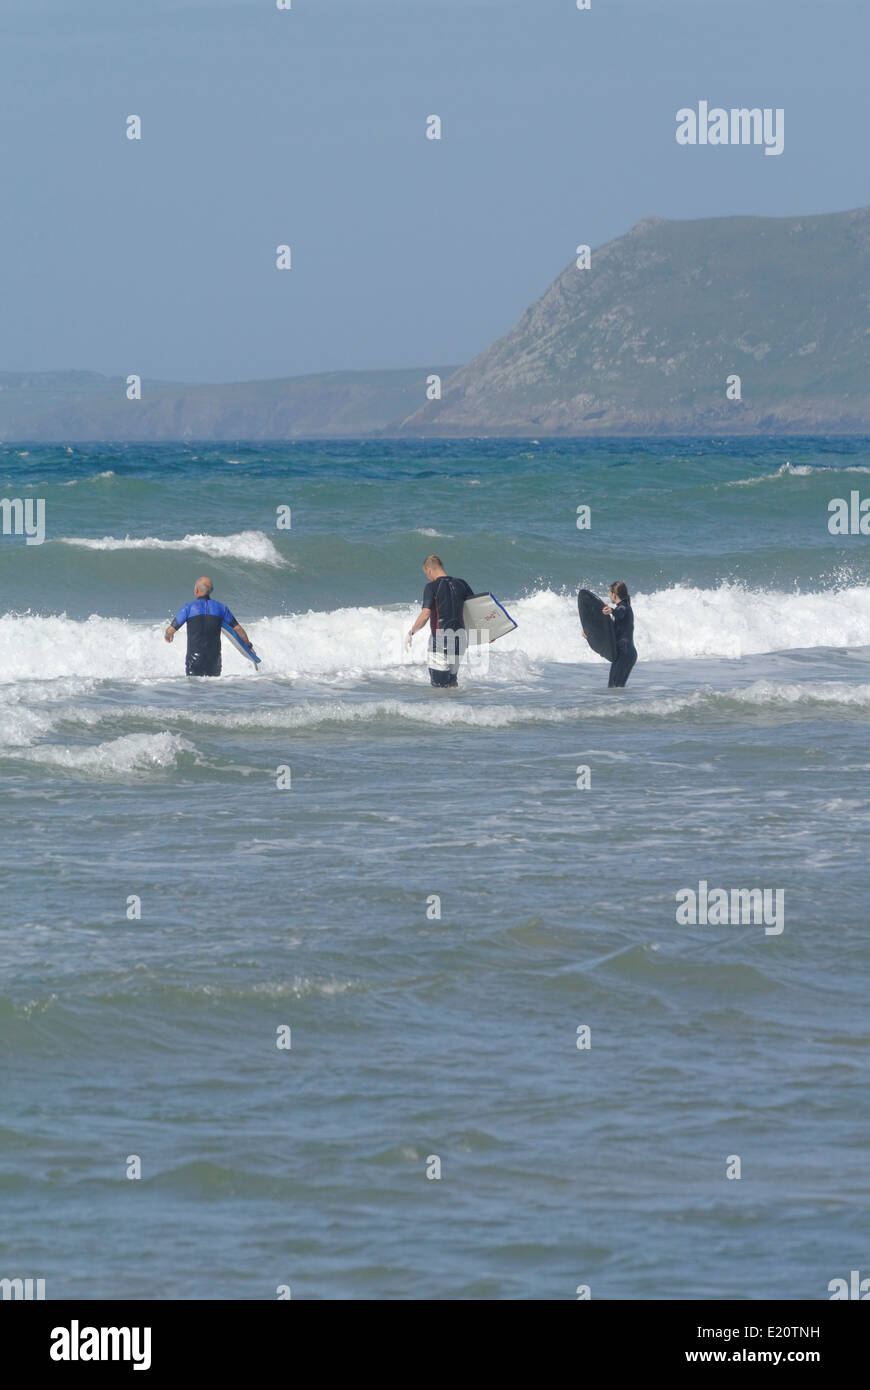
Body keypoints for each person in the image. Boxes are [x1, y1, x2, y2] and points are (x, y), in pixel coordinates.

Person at [164, 576, 254, 677]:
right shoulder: (221, 608)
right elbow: (238, 629)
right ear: (210, 591)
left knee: (195, 690)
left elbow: (171, 630)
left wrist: (168, 635)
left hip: (194, 662)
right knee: (213, 691)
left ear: (197, 590)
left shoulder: (189, 608)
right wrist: (249, 646)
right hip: (214, 661)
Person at [405, 555, 473, 687]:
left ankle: (442, 708)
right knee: (452, 682)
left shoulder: (432, 587)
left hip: (441, 641)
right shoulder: (461, 584)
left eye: (427, 574)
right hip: (460, 639)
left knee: (439, 688)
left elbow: (425, 615)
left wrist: (410, 633)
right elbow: (475, 609)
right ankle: (458, 708)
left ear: (429, 570)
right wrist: (489, 632)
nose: (428, 577)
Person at [602, 581, 637, 688]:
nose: (609, 596)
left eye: (609, 593)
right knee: (616, 689)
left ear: (614, 594)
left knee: (614, 687)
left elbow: (620, 612)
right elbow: (610, 634)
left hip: (625, 653)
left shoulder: (623, 607)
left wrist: (612, 610)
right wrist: (590, 635)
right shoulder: (624, 608)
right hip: (626, 653)